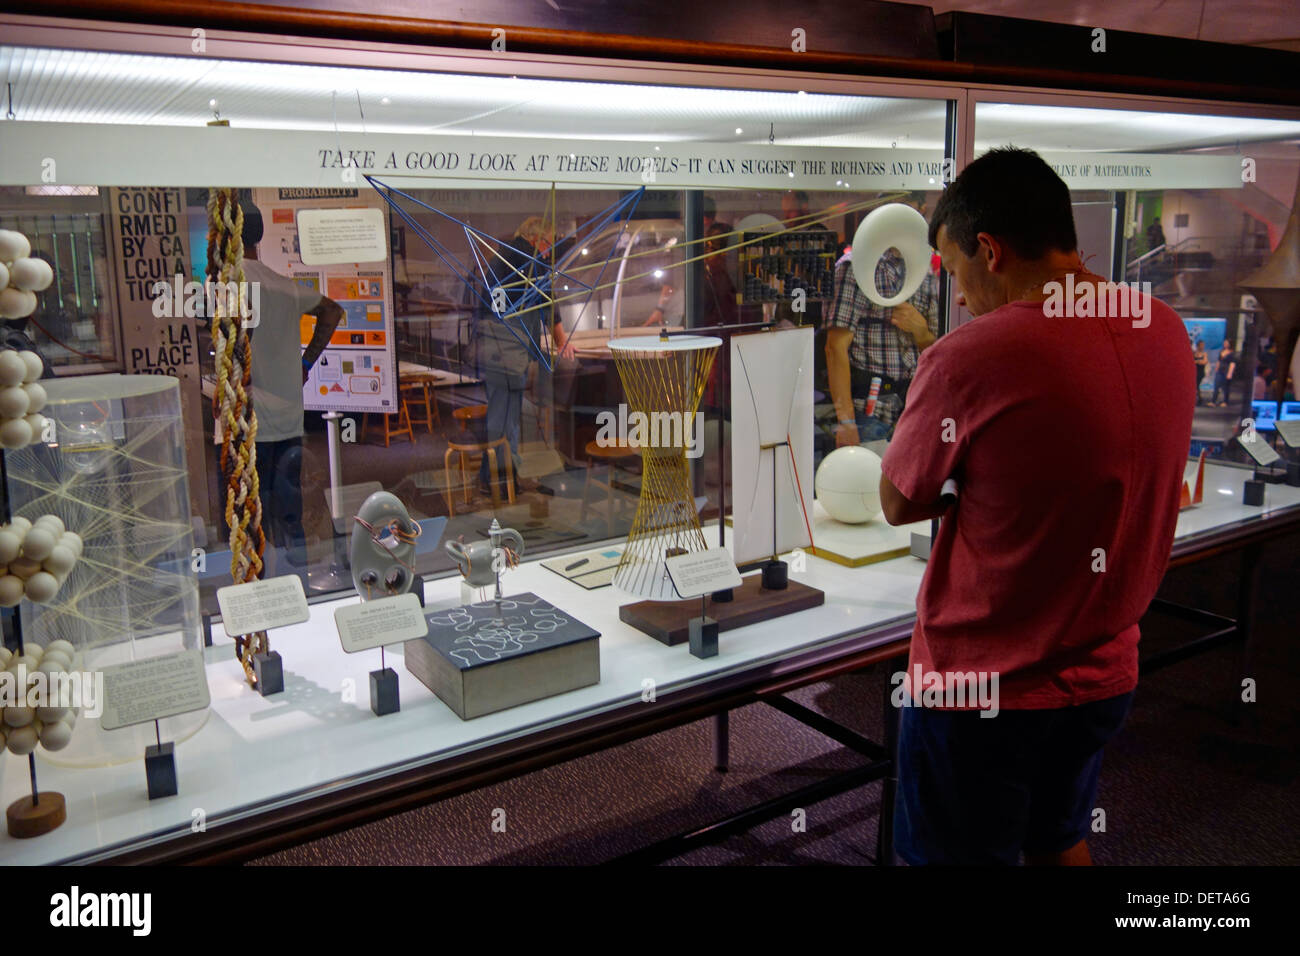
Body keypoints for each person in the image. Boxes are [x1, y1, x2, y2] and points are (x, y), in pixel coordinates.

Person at [879, 147, 1194, 866]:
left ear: (990, 251)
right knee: (1060, 838)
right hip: (1104, 669)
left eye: (955, 270)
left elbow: (899, 500)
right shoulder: (1165, 330)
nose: (957, 296)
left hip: (982, 689)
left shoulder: (970, 355)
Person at [239, 203, 344, 566]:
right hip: (286, 414)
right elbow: (333, 311)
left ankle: (262, 584)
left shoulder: (230, 285)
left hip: (250, 416)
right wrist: (306, 363)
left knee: (252, 512)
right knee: (288, 506)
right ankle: (299, 583)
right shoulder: (282, 285)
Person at [823, 216, 939, 445]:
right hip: (869, 408)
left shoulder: (923, 273)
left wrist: (921, 330)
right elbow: (835, 347)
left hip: (913, 407)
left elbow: (937, 349)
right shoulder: (854, 267)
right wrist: (846, 423)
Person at [474, 215, 551, 497]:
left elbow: (493, 303)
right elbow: (547, 300)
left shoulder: (502, 257)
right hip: (509, 351)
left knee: (504, 417)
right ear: (536, 238)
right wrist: (560, 336)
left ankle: (503, 478)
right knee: (504, 420)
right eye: (548, 243)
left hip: (495, 350)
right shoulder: (528, 259)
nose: (548, 250)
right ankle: (498, 481)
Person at [1212, 341, 1237, 407]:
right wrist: (1216, 369)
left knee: (1225, 387)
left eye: (1226, 343)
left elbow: (1232, 364)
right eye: (1224, 343)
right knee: (1216, 385)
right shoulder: (1221, 351)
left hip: (1226, 371)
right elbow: (1219, 361)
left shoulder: (1231, 353)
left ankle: (1225, 401)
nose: (1225, 344)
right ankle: (1213, 401)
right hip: (1220, 370)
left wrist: (1230, 373)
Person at [1192, 338, 1208, 405]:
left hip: (1200, 372)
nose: (1202, 346)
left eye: (1203, 345)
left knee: (1197, 385)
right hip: (1194, 371)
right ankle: (1199, 398)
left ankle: (1199, 398)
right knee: (1195, 385)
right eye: (1201, 345)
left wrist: (1198, 361)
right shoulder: (1194, 353)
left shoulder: (1204, 354)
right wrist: (1198, 361)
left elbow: (1205, 362)